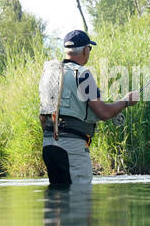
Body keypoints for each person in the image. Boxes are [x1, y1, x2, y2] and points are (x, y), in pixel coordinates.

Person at [40, 29, 138, 186]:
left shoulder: (50, 74)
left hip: (49, 145)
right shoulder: (82, 74)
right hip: (72, 147)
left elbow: (43, 117)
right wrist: (126, 101)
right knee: (80, 199)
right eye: (89, 49)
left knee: (56, 203)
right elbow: (104, 112)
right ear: (85, 50)